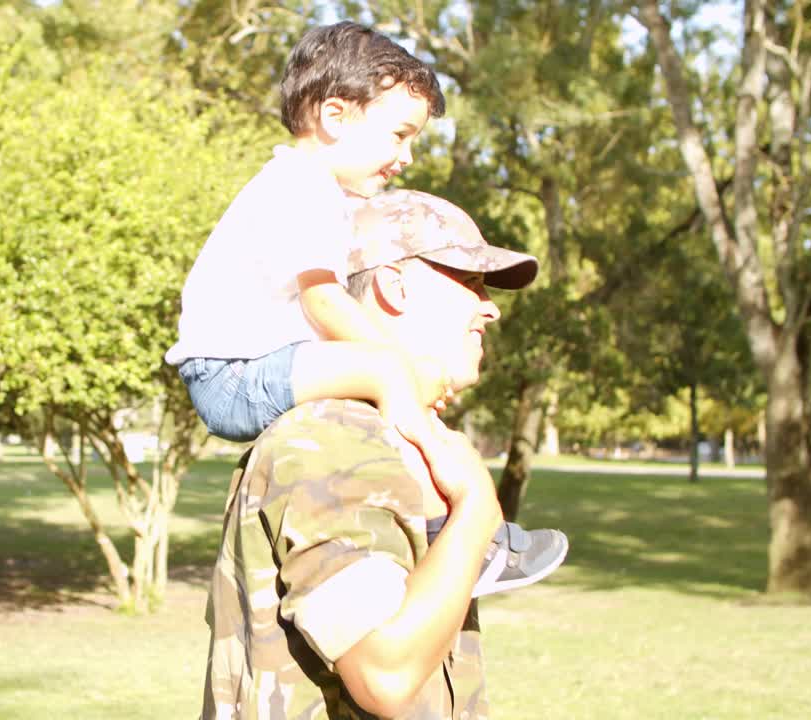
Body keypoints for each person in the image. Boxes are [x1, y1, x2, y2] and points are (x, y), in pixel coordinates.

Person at [165, 21, 565, 597]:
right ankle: (464, 539)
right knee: (391, 373)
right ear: (334, 117)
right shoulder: (301, 189)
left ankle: (462, 530)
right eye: (399, 134)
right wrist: (397, 365)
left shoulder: (308, 190)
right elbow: (324, 301)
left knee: (396, 381)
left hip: (242, 369)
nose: (406, 156)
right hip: (231, 376)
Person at [203, 188, 543, 719]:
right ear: (394, 286)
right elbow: (386, 674)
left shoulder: (379, 431)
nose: (490, 307)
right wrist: (478, 508)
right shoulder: (333, 434)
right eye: (472, 282)